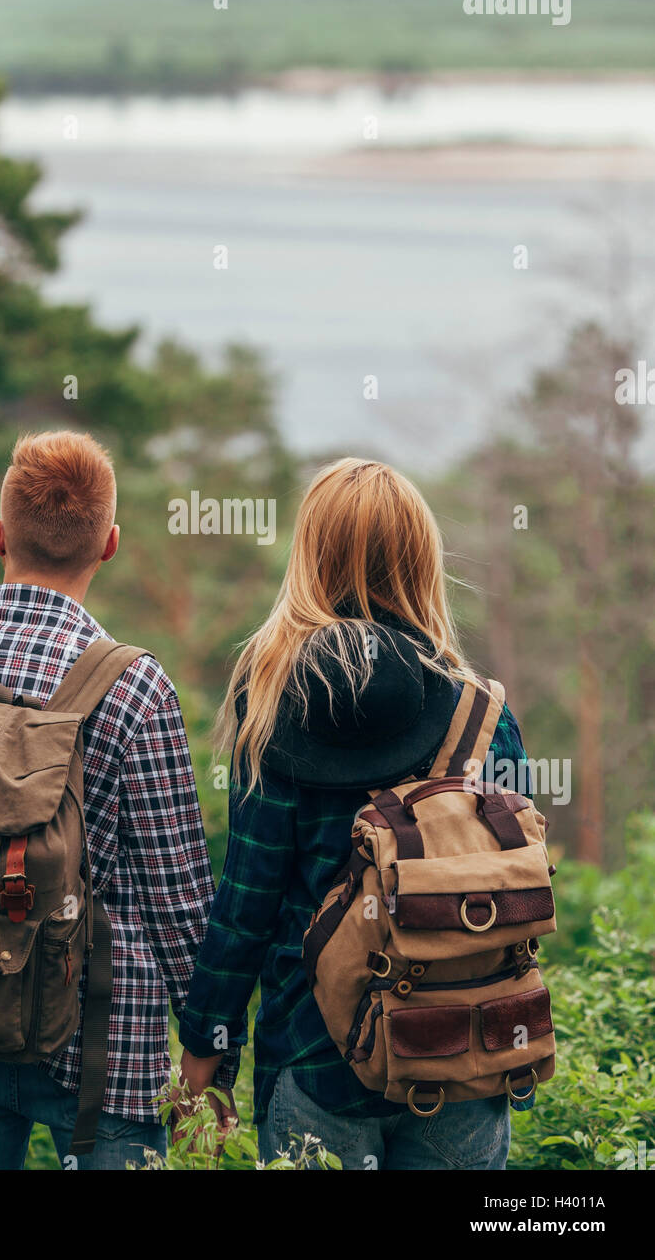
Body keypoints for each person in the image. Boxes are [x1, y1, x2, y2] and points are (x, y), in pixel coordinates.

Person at [0, 429, 238, 1170]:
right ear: (110, 545)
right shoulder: (136, 687)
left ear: (0, 535)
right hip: (106, 1050)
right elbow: (180, 903)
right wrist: (212, 1057)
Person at [178, 457, 530, 1170]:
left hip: (317, 1057)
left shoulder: (275, 705)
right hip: (464, 1049)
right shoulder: (483, 715)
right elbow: (517, 883)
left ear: (310, 556)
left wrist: (208, 1047)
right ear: (422, 557)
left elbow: (246, 904)